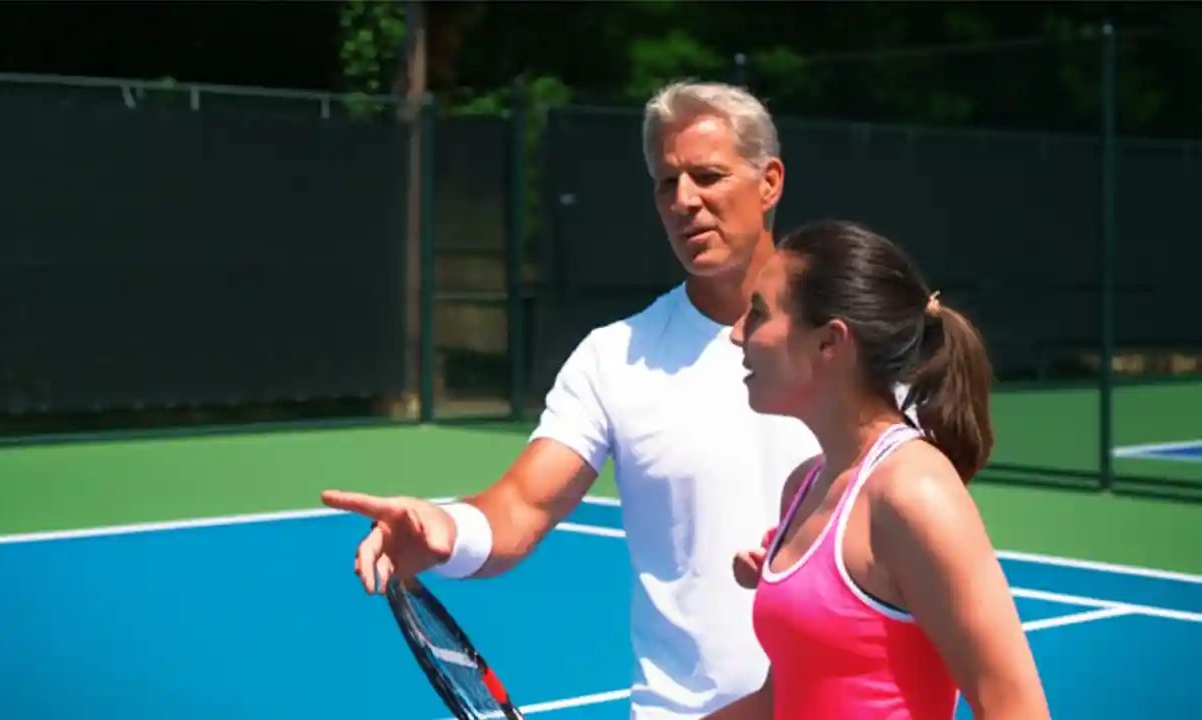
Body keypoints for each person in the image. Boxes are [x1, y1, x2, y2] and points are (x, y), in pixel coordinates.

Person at [320, 80, 823, 718]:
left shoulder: (857, 333)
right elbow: (520, 506)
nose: (685, 201)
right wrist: (443, 530)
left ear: (769, 182)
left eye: (708, 175)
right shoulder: (612, 357)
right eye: (667, 183)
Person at [708, 220, 1050, 720]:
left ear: (829, 343)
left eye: (758, 313)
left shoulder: (913, 493)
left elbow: (1015, 709)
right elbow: (781, 702)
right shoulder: (802, 488)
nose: (737, 334)